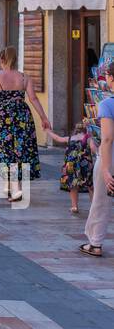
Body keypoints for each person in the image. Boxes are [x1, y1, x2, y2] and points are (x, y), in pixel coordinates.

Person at [0, 46, 49, 202]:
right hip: (22, 117)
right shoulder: (24, 77)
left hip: (2, 119)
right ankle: (9, 186)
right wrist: (44, 118)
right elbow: (33, 99)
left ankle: (16, 190)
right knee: (20, 151)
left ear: (2, 60)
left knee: (5, 151)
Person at [82, 59, 114, 257]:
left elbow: (108, 138)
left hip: (110, 158)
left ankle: (95, 243)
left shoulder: (107, 104)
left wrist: (105, 170)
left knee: (101, 201)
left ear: (110, 79)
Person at [47, 119, 96, 216]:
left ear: (75, 130)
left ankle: (74, 207)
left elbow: (57, 138)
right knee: (91, 186)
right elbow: (94, 150)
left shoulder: (69, 138)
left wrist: (48, 131)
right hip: (86, 165)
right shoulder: (89, 139)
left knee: (73, 186)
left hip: (71, 165)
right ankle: (94, 207)